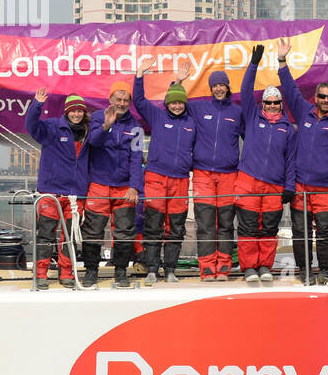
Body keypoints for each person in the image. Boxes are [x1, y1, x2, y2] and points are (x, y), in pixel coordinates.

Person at [275, 36, 328, 284]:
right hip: (301, 187)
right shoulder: (303, 111)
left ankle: (326, 271)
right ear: (316, 97)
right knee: (301, 233)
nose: (325, 100)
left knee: (327, 233)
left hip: (326, 191)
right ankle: (305, 271)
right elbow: (289, 89)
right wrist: (281, 60)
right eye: (322, 96)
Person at [171, 65, 244, 281]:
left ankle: (223, 267)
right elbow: (174, 103)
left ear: (228, 87)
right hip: (203, 174)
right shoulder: (199, 108)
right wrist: (178, 82)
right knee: (205, 224)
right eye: (215, 85)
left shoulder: (237, 111)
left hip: (229, 175)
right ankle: (207, 268)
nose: (219, 89)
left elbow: (251, 138)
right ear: (211, 88)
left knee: (225, 224)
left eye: (222, 85)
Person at [234, 45, 297, 282]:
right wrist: (253, 64)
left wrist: (289, 186)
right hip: (248, 181)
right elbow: (245, 90)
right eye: (268, 103)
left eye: (275, 103)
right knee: (249, 228)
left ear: (281, 105)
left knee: (269, 229)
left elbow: (291, 160)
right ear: (262, 104)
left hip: (274, 185)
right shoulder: (252, 116)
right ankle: (249, 266)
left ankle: (265, 266)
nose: (271, 106)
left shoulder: (288, 129)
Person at [25, 90, 96, 289]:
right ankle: (40, 274)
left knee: (71, 237)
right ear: (67, 112)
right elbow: (31, 126)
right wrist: (36, 105)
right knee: (46, 234)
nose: (76, 114)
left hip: (75, 195)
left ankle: (67, 273)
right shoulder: (53, 127)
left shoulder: (88, 132)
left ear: (84, 112)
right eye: (72, 111)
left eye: (79, 111)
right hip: (51, 192)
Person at [133, 63, 197, 285]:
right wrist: (139, 76)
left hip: (180, 180)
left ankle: (170, 269)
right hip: (157, 178)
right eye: (173, 102)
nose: (177, 106)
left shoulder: (191, 121)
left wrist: (178, 84)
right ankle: (152, 268)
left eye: (180, 102)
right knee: (154, 224)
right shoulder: (158, 117)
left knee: (176, 227)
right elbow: (139, 101)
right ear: (167, 104)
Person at [81, 79, 145, 289]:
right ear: (110, 99)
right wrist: (107, 126)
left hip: (124, 187)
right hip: (98, 184)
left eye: (126, 100)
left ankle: (120, 271)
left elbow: (137, 158)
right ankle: (91, 271)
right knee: (92, 230)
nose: (122, 103)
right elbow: (93, 142)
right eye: (118, 99)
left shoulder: (135, 125)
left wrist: (134, 186)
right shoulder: (98, 117)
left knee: (125, 232)